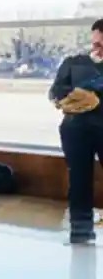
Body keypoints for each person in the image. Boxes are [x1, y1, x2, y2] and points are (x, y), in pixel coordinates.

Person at [49, 18, 103, 244]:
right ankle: (81, 232)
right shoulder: (73, 62)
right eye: (96, 42)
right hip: (76, 129)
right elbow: (55, 91)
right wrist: (69, 98)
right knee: (79, 180)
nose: (96, 48)